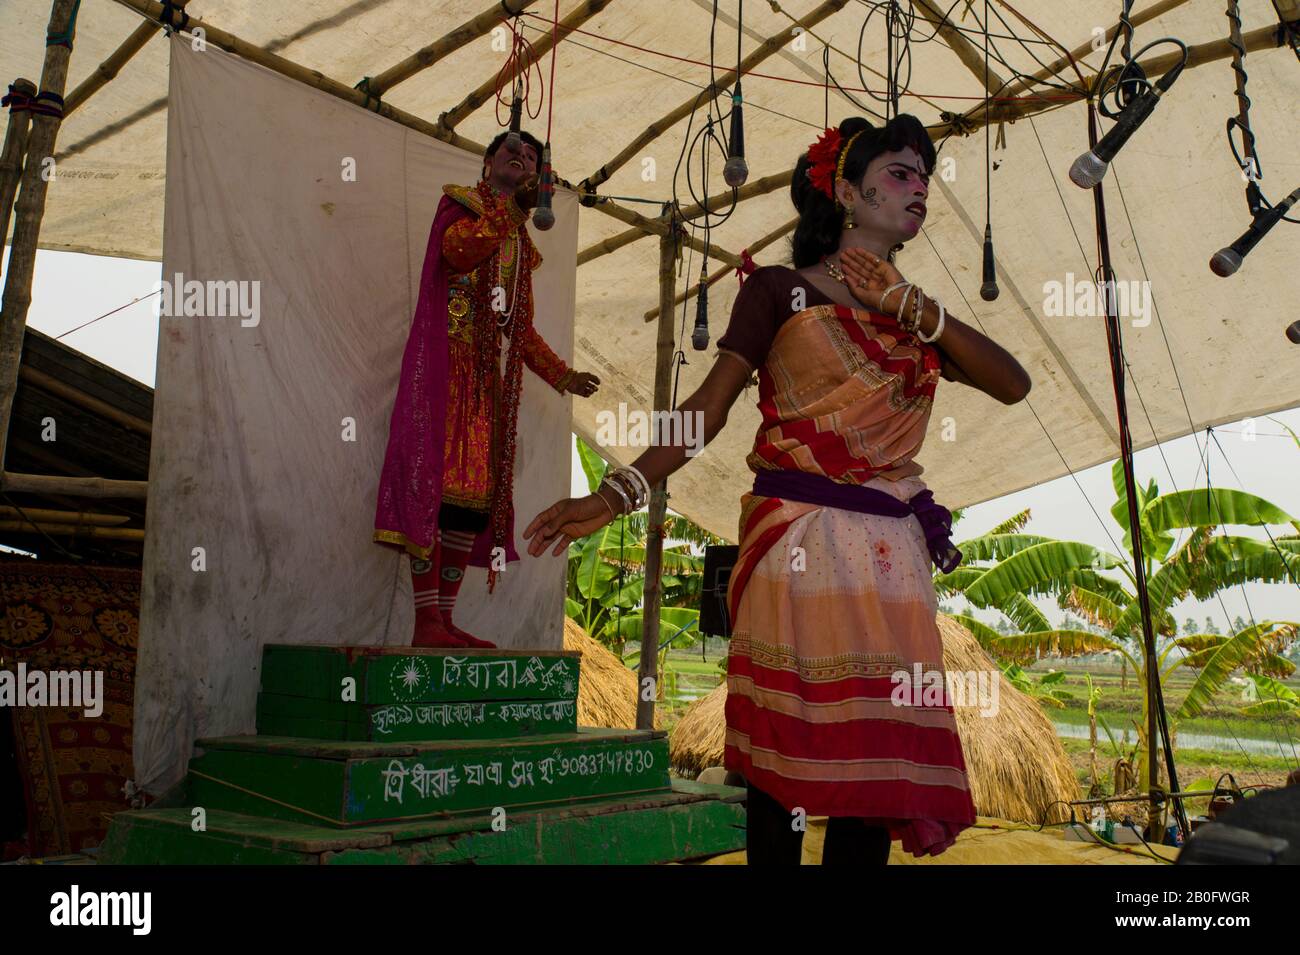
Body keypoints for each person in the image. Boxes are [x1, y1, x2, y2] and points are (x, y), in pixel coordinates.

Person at [522, 115, 1031, 863]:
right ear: (846, 192)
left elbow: (1013, 384)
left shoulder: (919, 318)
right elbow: (708, 409)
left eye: (924, 176)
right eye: (899, 172)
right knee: (784, 767)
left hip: (890, 559)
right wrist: (617, 491)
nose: (920, 186)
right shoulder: (778, 289)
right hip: (798, 544)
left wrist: (914, 309)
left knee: (873, 770)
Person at [375, 129, 600, 649]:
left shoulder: (520, 243)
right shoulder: (460, 206)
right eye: (512, 151)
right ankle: (424, 621)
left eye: (531, 157)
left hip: (482, 387)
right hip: (440, 374)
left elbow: (516, 327)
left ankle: (443, 620)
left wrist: (561, 374)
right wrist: (512, 212)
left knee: (470, 505)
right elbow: (458, 254)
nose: (522, 158)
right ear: (487, 161)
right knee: (432, 491)